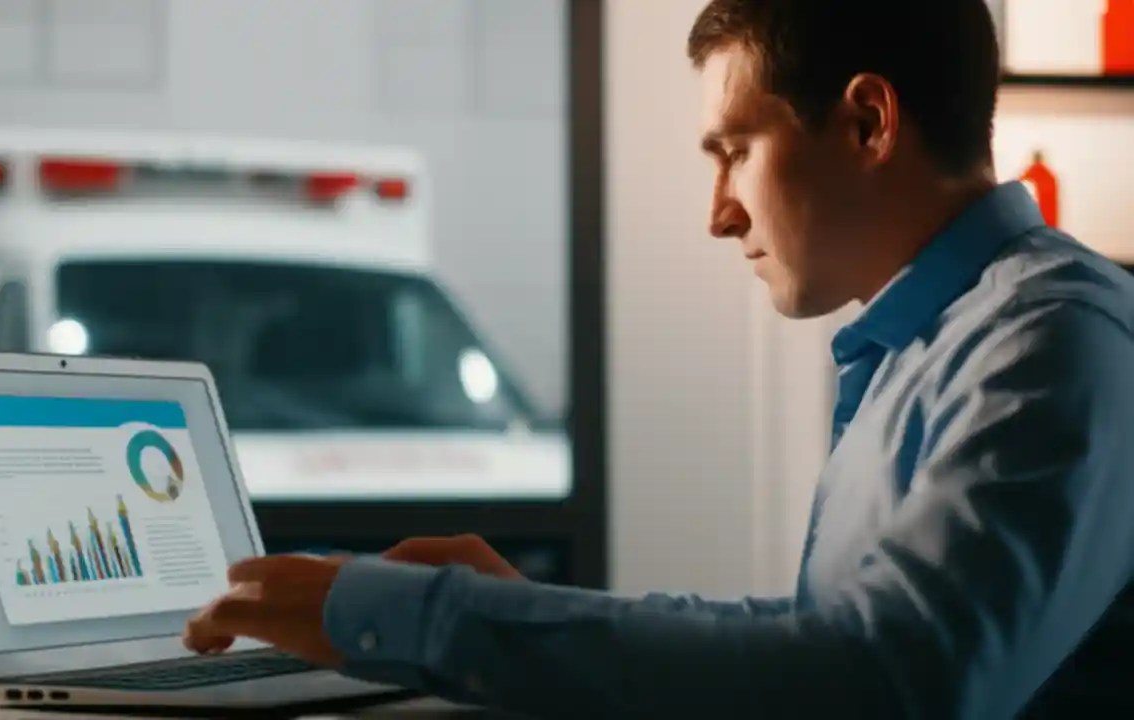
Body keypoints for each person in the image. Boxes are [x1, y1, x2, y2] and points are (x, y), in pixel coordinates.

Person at [184, 1, 1134, 716]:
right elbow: (822, 640)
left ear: (868, 123)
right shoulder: (924, 343)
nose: (718, 212)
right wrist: (523, 611)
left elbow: (893, 677)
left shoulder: (1055, 337)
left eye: (734, 150)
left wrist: (428, 618)